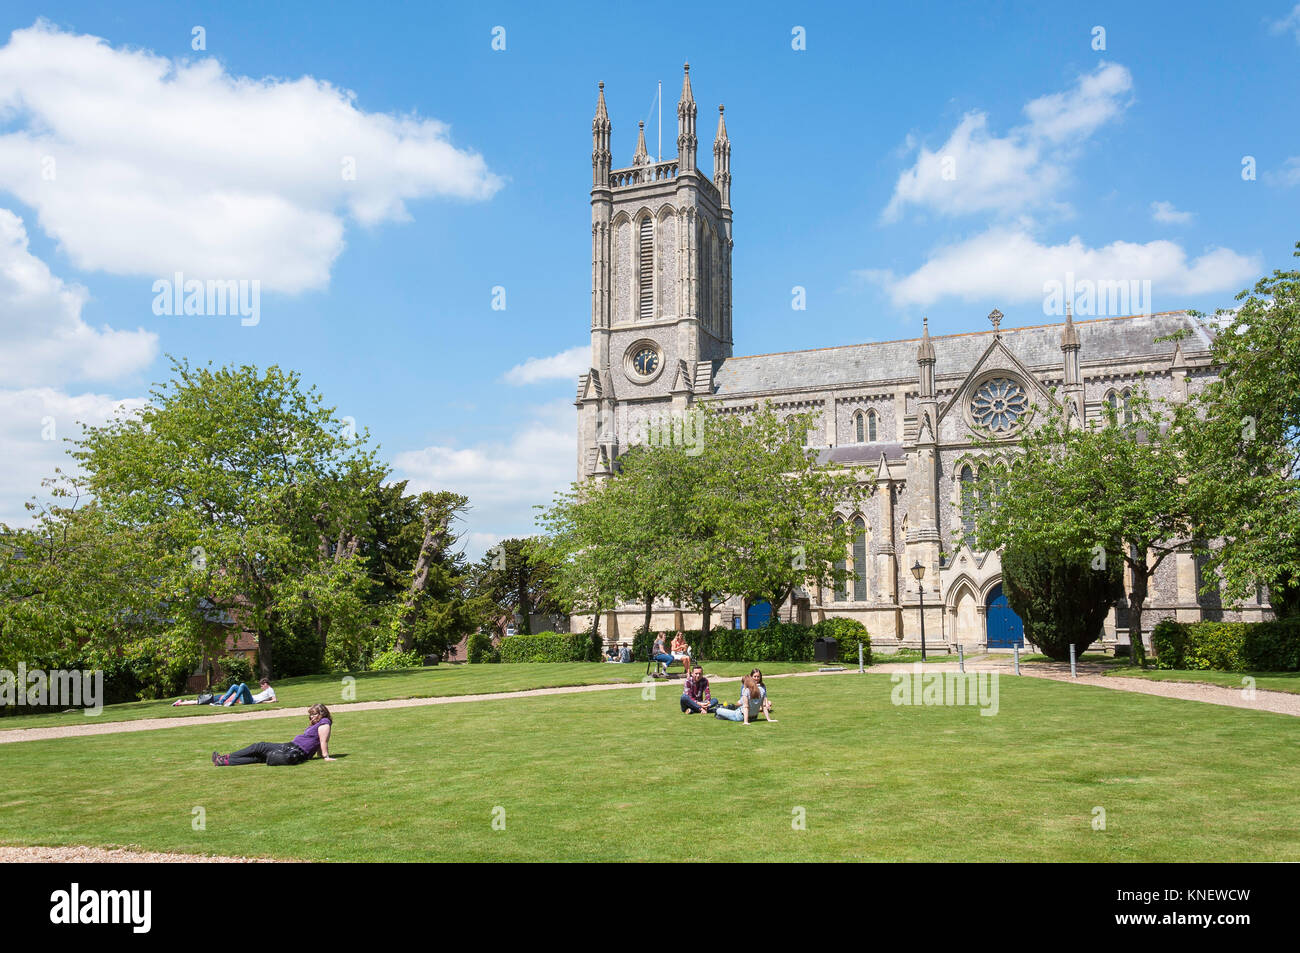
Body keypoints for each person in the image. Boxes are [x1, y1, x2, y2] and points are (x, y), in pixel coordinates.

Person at [212, 703, 335, 766]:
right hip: (291, 747)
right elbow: (318, 742)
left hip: (295, 749)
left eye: (314, 714)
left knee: (259, 746)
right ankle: (223, 762)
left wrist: (325, 757)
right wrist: (319, 754)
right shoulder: (318, 724)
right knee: (258, 757)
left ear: (322, 713)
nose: (311, 716)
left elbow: (323, 741)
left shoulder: (324, 723)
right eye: (310, 714)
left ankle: (226, 757)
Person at [173, 677, 275, 707]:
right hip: (249, 699)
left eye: (262, 685)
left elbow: (274, 700)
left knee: (243, 684)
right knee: (235, 686)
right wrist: (262, 701)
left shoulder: (270, 690)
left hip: (251, 700)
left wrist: (264, 702)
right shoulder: (266, 690)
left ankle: (230, 702)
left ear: (266, 684)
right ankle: (221, 702)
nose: (261, 687)